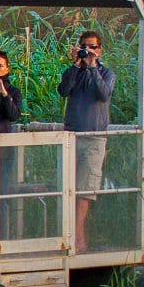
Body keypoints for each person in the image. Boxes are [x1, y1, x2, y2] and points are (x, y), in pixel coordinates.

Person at [58, 30, 115, 253]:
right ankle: (69, 235)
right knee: (68, 187)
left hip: (94, 137)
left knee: (85, 190)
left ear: (100, 50)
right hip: (71, 136)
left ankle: (79, 237)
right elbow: (63, 90)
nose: (88, 50)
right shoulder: (74, 72)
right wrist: (76, 66)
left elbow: (104, 94)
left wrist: (92, 67)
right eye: (84, 46)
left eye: (92, 47)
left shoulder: (106, 73)